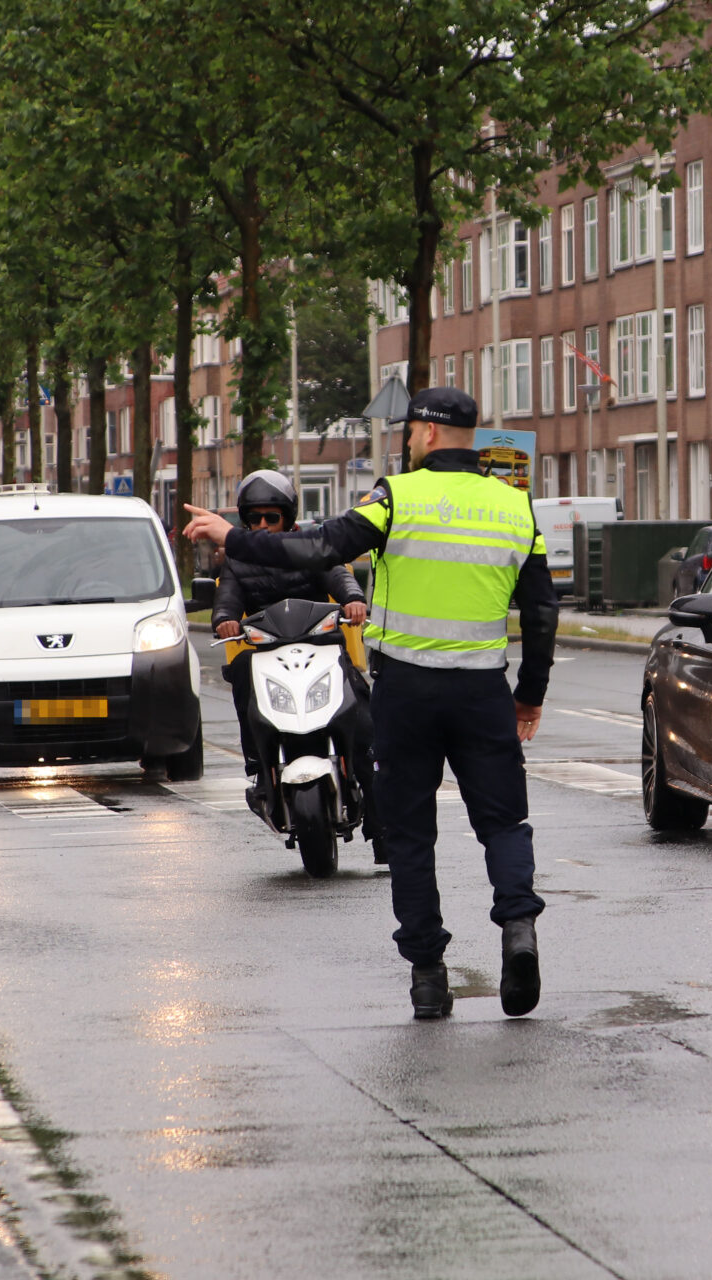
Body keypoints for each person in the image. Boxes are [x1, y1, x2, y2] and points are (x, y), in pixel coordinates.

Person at [183, 386, 558, 1021]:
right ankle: (518, 929)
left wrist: (233, 538)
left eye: (411, 429)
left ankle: (429, 979)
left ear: (431, 433)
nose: (407, 438)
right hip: (481, 693)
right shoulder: (515, 507)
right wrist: (529, 696)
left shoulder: (396, 497)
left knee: (411, 834)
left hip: (408, 691)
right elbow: (543, 611)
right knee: (503, 822)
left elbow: (320, 549)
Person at [212, 470, 368, 781]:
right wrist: (224, 620)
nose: (263, 526)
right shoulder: (236, 559)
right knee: (241, 670)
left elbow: (336, 573)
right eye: (254, 519)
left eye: (271, 517)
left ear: (288, 517)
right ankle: (257, 759)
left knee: (357, 688)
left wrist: (353, 597)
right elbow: (227, 596)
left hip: (319, 645)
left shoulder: (308, 546)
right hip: (267, 652)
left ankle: (367, 768)